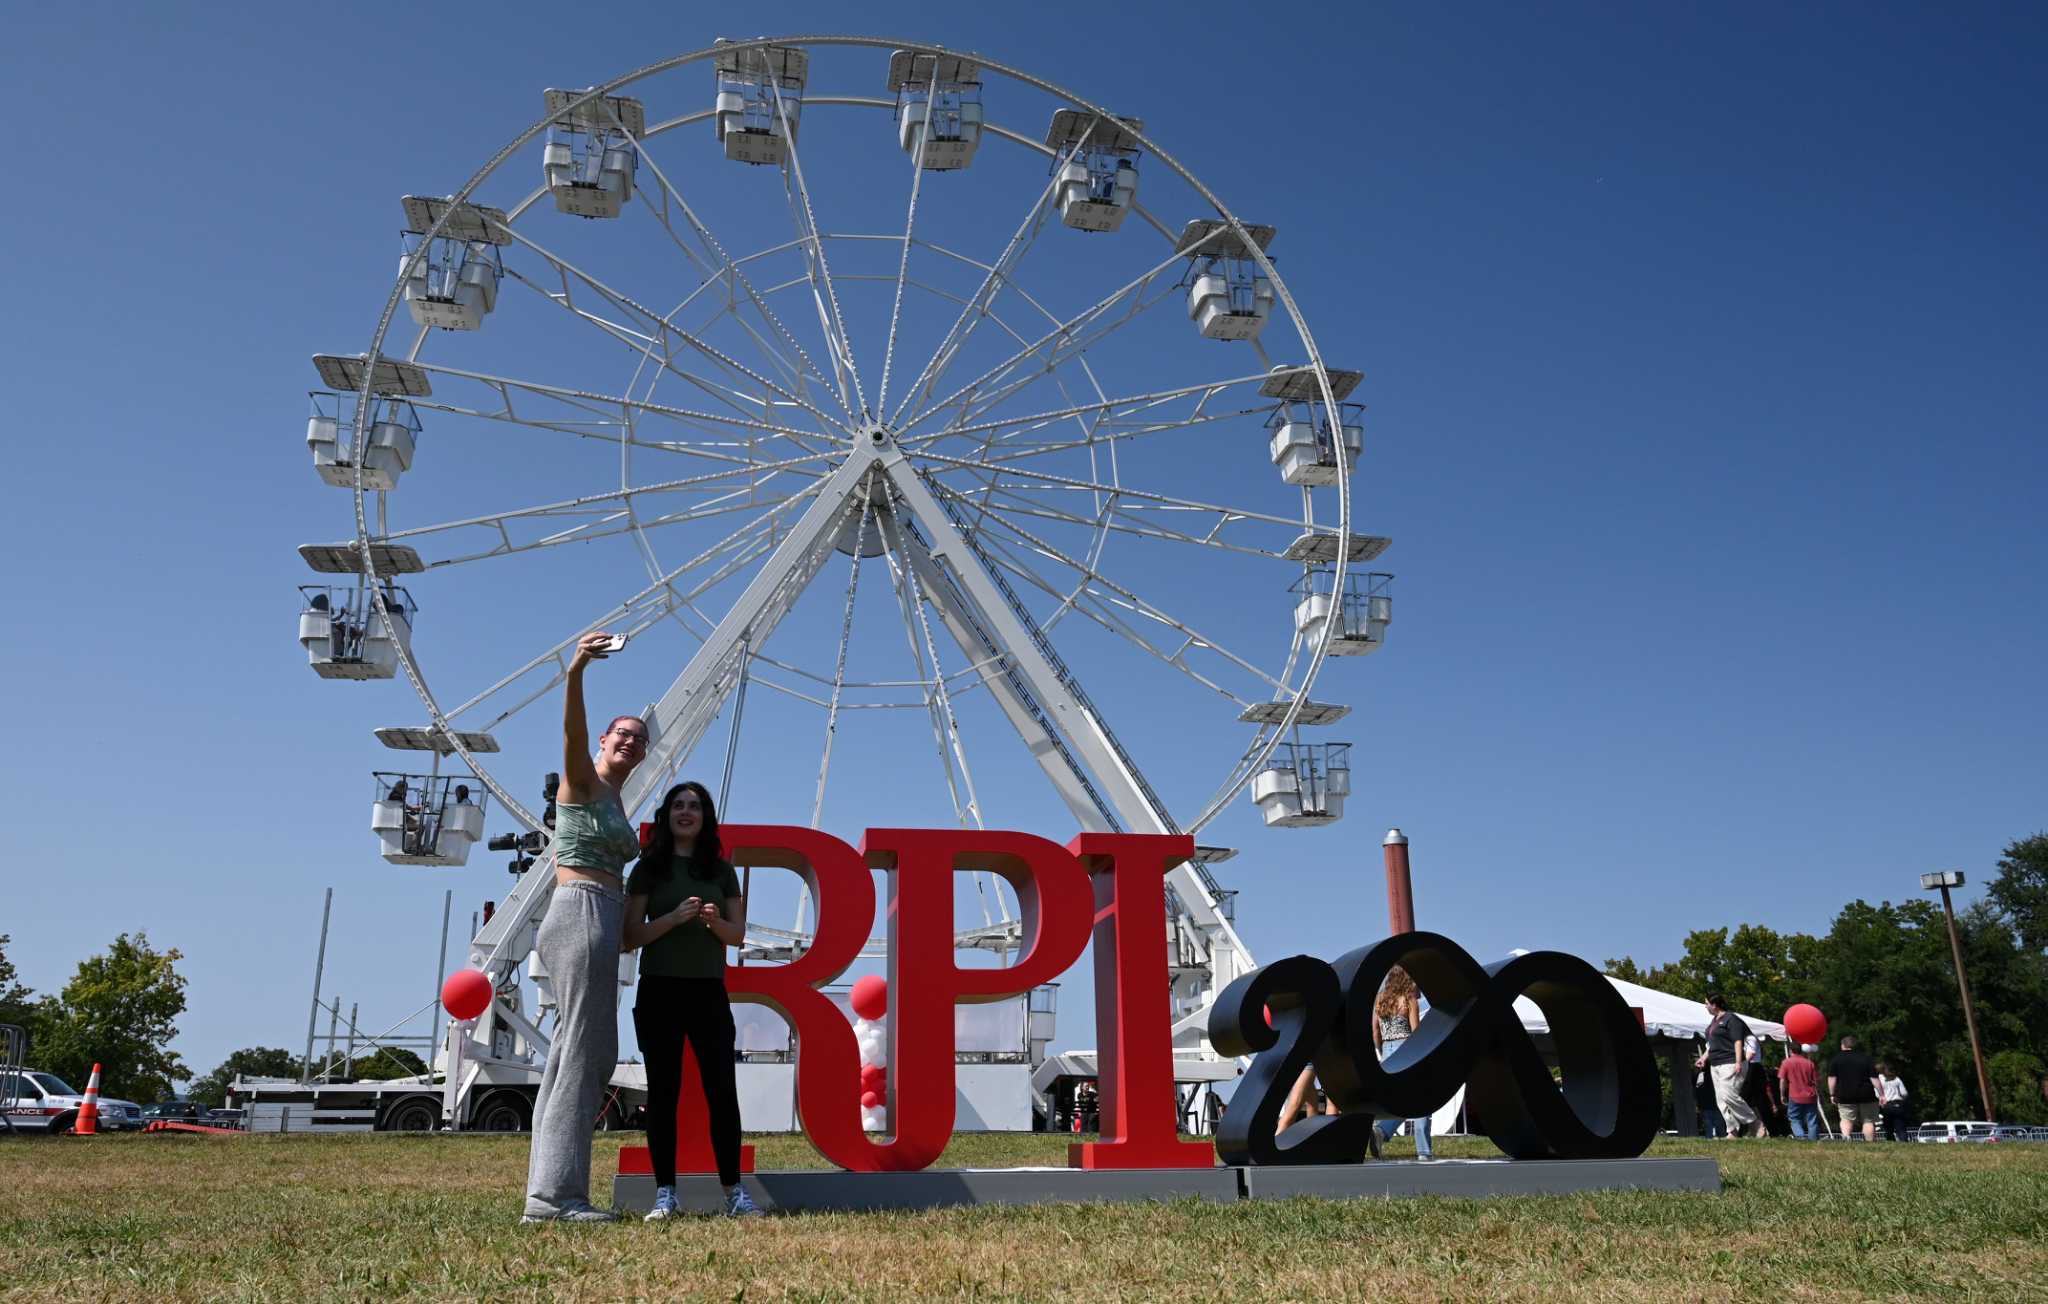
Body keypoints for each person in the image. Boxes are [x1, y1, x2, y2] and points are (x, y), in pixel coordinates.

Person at [521, 631, 648, 1224]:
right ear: (603, 741)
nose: (629, 742)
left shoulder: (618, 803)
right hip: (580, 906)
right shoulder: (583, 784)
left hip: (597, 912)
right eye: (621, 734)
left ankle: (546, 1193)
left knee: (573, 1053)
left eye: (638, 740)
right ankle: (557, 1197)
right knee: (588, 1053)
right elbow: (570, 732)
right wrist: (576, 668)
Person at [622, 780, 759, 1220]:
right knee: (664, 1092)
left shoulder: (721, 871)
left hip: (707, 990)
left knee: (722, 1091)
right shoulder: (648, 869)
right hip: (659, 988)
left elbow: (736, 936)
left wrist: (713, 921)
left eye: (695, 806)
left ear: (706, 818)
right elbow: (629, 937)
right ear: (666, 815)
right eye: (678, 805)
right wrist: (672, 918)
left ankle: (734, 1192)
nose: (686, 812)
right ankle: (665, 1193)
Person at [1373, 967, 1432, 1159]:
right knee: (1422, 1099)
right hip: (1407, 1048)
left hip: (1387, 1051)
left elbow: (1375, 1031)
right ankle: (1424, 1151)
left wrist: (1382, 1051)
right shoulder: (1408, 999)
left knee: (1400, 1100)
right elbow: (1416, 1032)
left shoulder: (1380, 999)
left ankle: (1381, 1131)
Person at [1695, 994, 1765, 1139]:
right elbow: (1711, 1045)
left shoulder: (1731, 1019)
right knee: (1721, 1099)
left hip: (1731, 1062)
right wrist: (1703, 1058)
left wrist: (1739, 1062)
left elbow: (1738, 1042)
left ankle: (1755, 1123)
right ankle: (1732, 1130)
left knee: (1728, 1094)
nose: (1705, 1006)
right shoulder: (1713, 1023)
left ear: (1715, 1005)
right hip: (1715, 1065)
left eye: (1707, 1003)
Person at [1826, 1036, 1882, 1142]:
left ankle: (1847, 1138)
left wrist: (1832, 1094)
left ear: (1842, 1045)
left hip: (1845, 1095)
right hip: (1866, 1094)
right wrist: (1882, 1094)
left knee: (1846, 1119)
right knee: (1868, 1120)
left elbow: (1832, 1079)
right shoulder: (1866, 1058)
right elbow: (1874, 1078)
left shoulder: (1836, 1059)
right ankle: (1870, 1142)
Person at [1779, 1043, 1821, 1140]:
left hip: (1795, 1095)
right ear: (1801, 1051)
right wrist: (1818, 1093)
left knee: (1794, 1118)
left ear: (1790, 1051)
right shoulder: (1809, 1063)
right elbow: (1816, 1081)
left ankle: (1800, 1136)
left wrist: (1782, 1095)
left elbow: (1782, 1080)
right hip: (1810, 1095)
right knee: (1812, 1119)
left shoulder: (1786, 1062)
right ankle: (1813, 1140)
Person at [1876, 1062, 1911, 1141]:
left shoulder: (1878, 1080)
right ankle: (1904, 1143)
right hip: (1898, 1104)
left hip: (1886, 1105)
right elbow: (1904, 1093)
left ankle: (1891, 1142)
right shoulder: (1896, 1078)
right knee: (1901, 1128)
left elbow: (1877, 1094)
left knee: (1888, 1129)